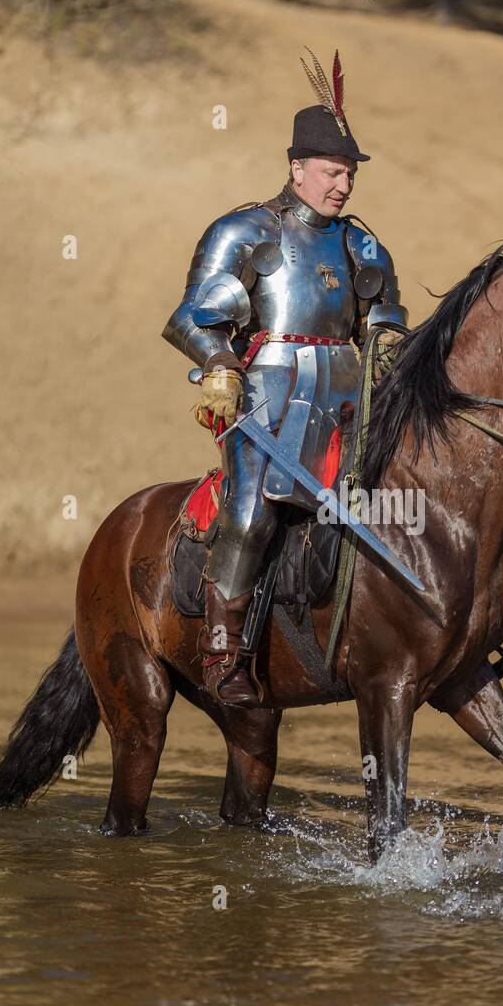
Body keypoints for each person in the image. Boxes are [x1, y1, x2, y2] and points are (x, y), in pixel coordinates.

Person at [163, 50, 407, 705]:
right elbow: (191, 317)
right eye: (333, 171)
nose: (344, 185)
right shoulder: (245, 232)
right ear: (297, 168)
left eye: (350, 174)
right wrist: (218, 364)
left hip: (349, 404)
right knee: (249, 514)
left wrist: (393, 372)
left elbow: (385, 330)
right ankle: (222, 656)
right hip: (265, 402)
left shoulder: (362, 246)